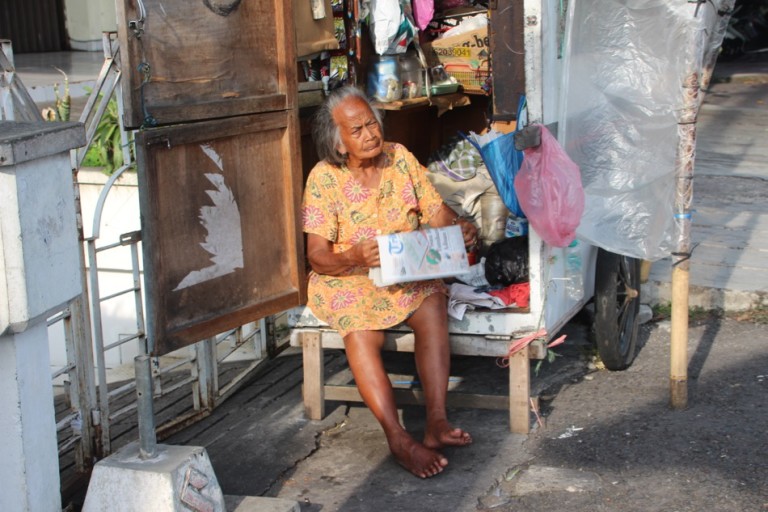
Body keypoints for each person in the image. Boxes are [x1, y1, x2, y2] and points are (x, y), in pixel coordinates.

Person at [301, 85, 479, 478]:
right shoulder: (323, 179)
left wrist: (459, 230)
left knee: (432, 302)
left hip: (405, 272)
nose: (370, 135)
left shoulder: (400, 158)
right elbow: (317, 255)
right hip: (348, 278)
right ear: (339, 142)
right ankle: (398, 439)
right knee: (361, 330)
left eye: (372, 124)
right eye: (357, 130)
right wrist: (351, 256)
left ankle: (436, 421)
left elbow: (435, 212)